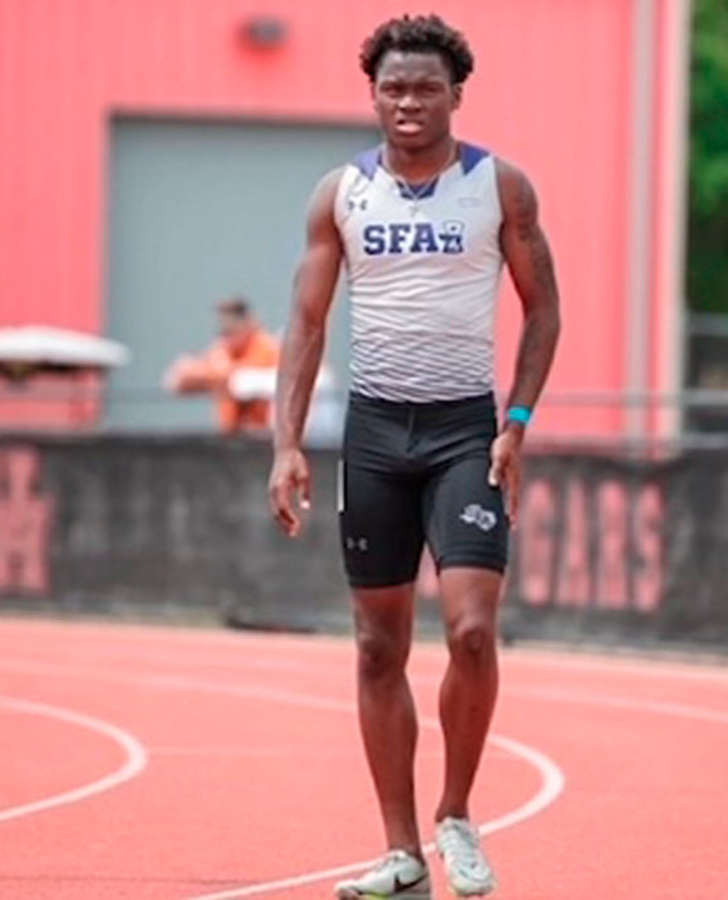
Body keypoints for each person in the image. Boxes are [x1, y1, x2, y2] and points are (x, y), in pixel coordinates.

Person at [266, 15, 561, 898]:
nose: (408, 102)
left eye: (425, 87)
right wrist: (286, 444)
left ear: (455, 95)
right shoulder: (341, 194)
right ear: (374, 94)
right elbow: (307, 324)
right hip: (374, 434)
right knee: (374, 648)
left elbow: (543, 310)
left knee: (470, 629)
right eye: (393, 87)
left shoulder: (498, 187)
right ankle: (402, 855)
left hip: (466, 431)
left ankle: (457, 814)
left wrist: (515, 420)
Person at [162, 297, 281, 434]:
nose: (227, 333)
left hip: (262, 436)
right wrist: (212, 373)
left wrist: (213, 374)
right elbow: (176, 381)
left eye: (233, 325)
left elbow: (239, 379)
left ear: (249, 322)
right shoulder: (222, 349)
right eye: (223, 328)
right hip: (229, 437)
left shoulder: (266, 348)